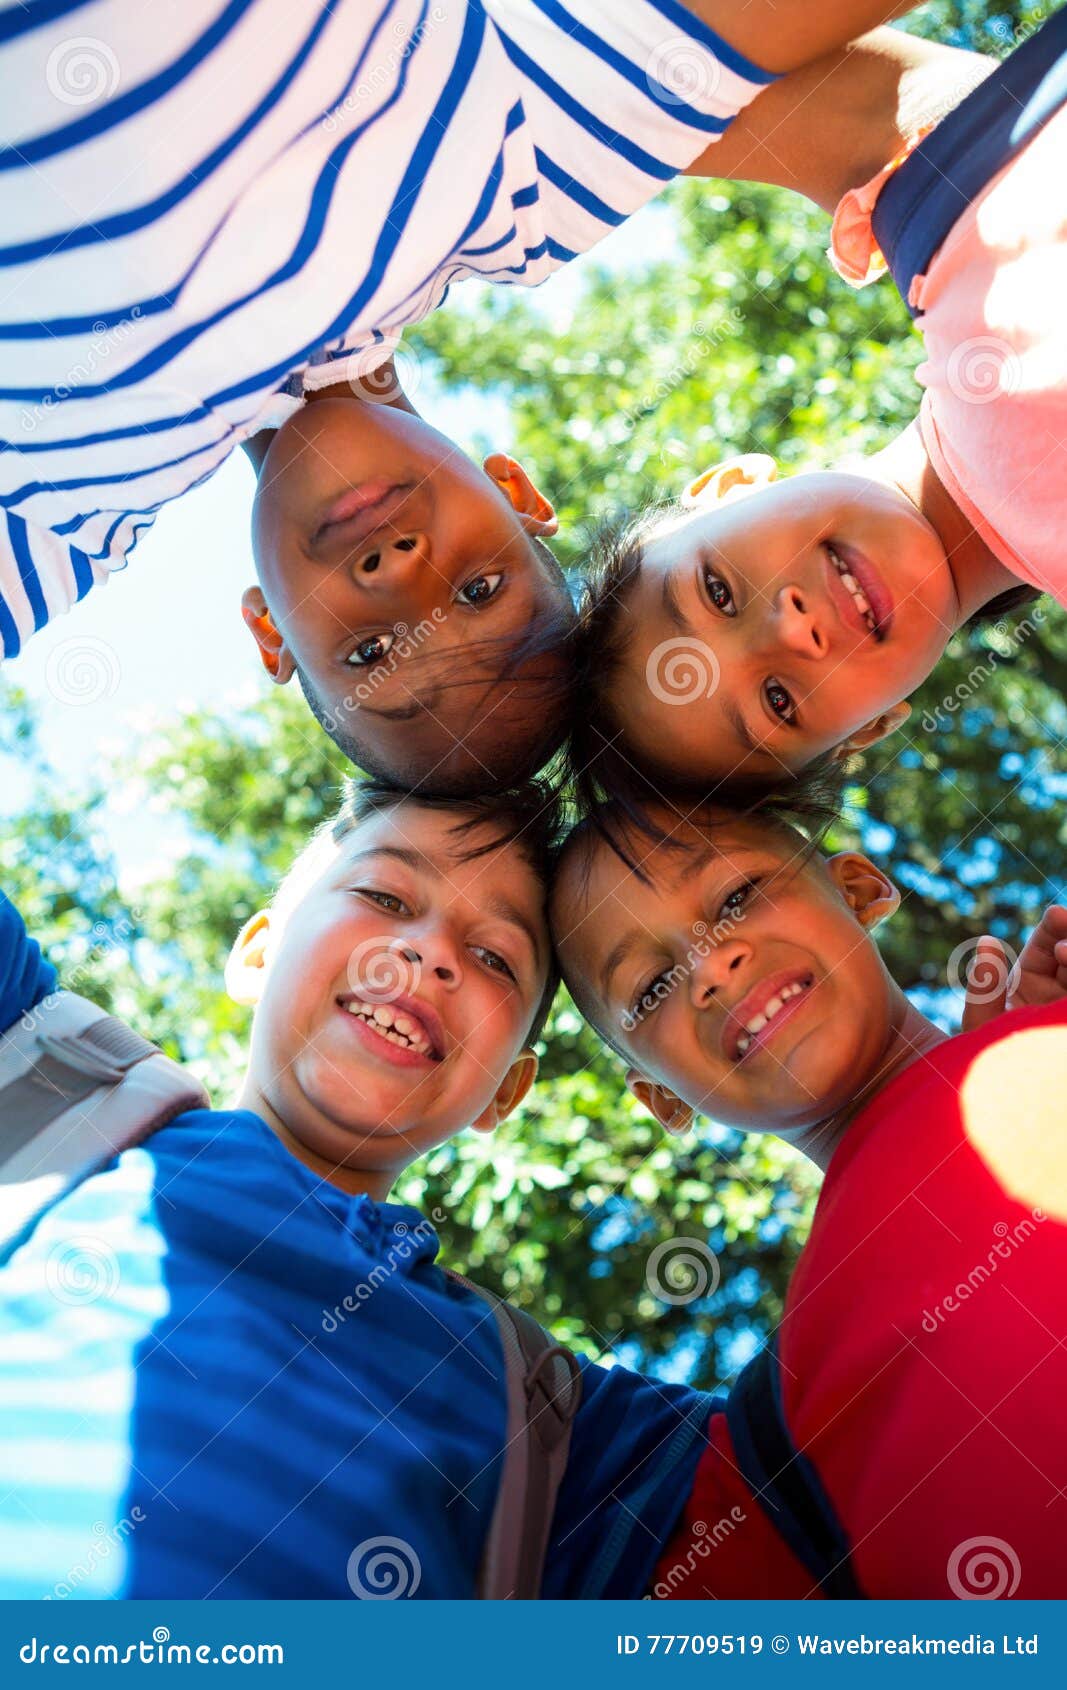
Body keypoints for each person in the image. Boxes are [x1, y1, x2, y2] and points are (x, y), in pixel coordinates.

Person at [1, 1, 939, 789]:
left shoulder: (56, 516)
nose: (397, 569)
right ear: (519, 493)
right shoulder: (514, 180)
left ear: (268, 633)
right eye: (480, 588)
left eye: (368, 655)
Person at [0, 782, 717, 1599]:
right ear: (258, 951)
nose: (432, 953)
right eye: (383, 894)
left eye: (494, 959)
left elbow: (847, 1489)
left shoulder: (558, 1429)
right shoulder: (45, 1074)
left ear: (504, 1094)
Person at [550, 798, 1067, 1596]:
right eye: (651, 987)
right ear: (663, 1098)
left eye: (733, 897)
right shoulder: (769, 1447)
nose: (710, 964)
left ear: (857, 888)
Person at [570, 13, 1066, 800]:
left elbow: (578, 79)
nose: (793, 630)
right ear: (870, 730)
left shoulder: (922, 187)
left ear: (725, 485)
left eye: (717, 592)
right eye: (775, 702)